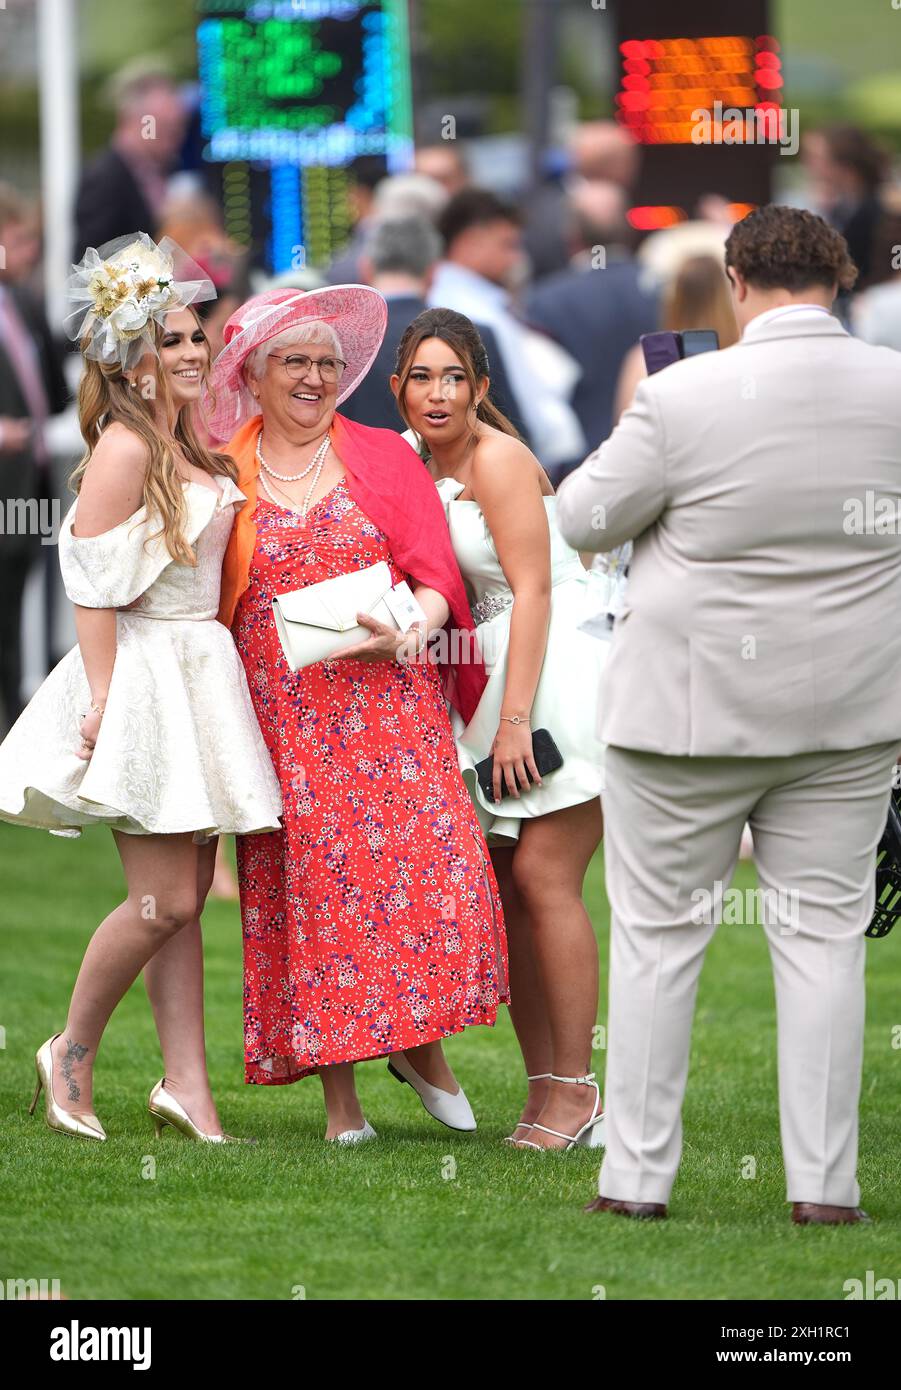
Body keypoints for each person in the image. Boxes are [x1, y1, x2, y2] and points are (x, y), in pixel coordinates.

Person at [557, 205, 901, 1225]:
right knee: (824, 944)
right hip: (846, 712)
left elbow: (582, 517)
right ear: (835, 281)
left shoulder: (679, 392)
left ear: (737, 282)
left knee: (659, 941)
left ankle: (636, 1180)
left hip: (686, 711)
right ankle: (824, 1189)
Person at [205, 286, 509, 1143]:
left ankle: (420, 1046)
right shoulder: (222, 472)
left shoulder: (383, 454)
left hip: (389, 703)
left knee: (428, 884)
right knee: (315, 898)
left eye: (327, 363)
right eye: (293, 361)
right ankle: (341, 1104)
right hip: (283, 714)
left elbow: (438, 577)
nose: (312, 376)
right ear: (254, 373)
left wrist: (412, 626)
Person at [0, 233, 283, 1143]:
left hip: (202, 669)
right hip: (146, 675)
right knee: (162, 901)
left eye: (197, 335)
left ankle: (186, 1089)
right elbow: (87, 576)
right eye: (170, 340)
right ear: (132, 355)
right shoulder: (127, 446)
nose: (193, 351)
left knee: (189, 899)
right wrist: (105, 697)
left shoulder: (187, 441)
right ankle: (70, 1053)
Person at [392, 306, 610, 1152]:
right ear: (398, 388)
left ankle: (580, 1092)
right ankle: (543, 1090)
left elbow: (536, 592)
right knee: (509, 890)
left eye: (454, 377)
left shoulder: (501, 458)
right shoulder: (411, 463)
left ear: (481, 388)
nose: (437, 393)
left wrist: (515, 723)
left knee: (549, 879)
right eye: (421, 376)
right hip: (479, 683)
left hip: (552, 675)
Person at [427, 189, 586, 474]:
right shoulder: (463, 312)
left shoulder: (485, 304)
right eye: (507, 245)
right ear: (470, 242)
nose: (515, 258)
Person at [342, 214, 526, 439]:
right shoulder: (477, 337)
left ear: (366, 269)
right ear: (433, 273)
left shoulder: (339, 341)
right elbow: (508, 431)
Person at [526, 180, 659, 479]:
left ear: (570, 234)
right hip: (659, 460)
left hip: (583, 471)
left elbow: (542, 397)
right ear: (628, 230)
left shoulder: (545, 301)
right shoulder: (664, 289)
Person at [0, 183, 69, 731]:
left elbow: (51, 386)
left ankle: (24, 715)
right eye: (18, 239)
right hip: (5, 483)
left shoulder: (22, 302)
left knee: (35, 588)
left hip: (34, 480)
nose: (28, 252)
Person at [73, 62, 187, 259]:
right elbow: (91, 260)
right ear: (131, 119)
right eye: (165, 126)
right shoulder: (105, 177)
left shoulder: (167, 170)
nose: (176, 138)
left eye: (178, 127)